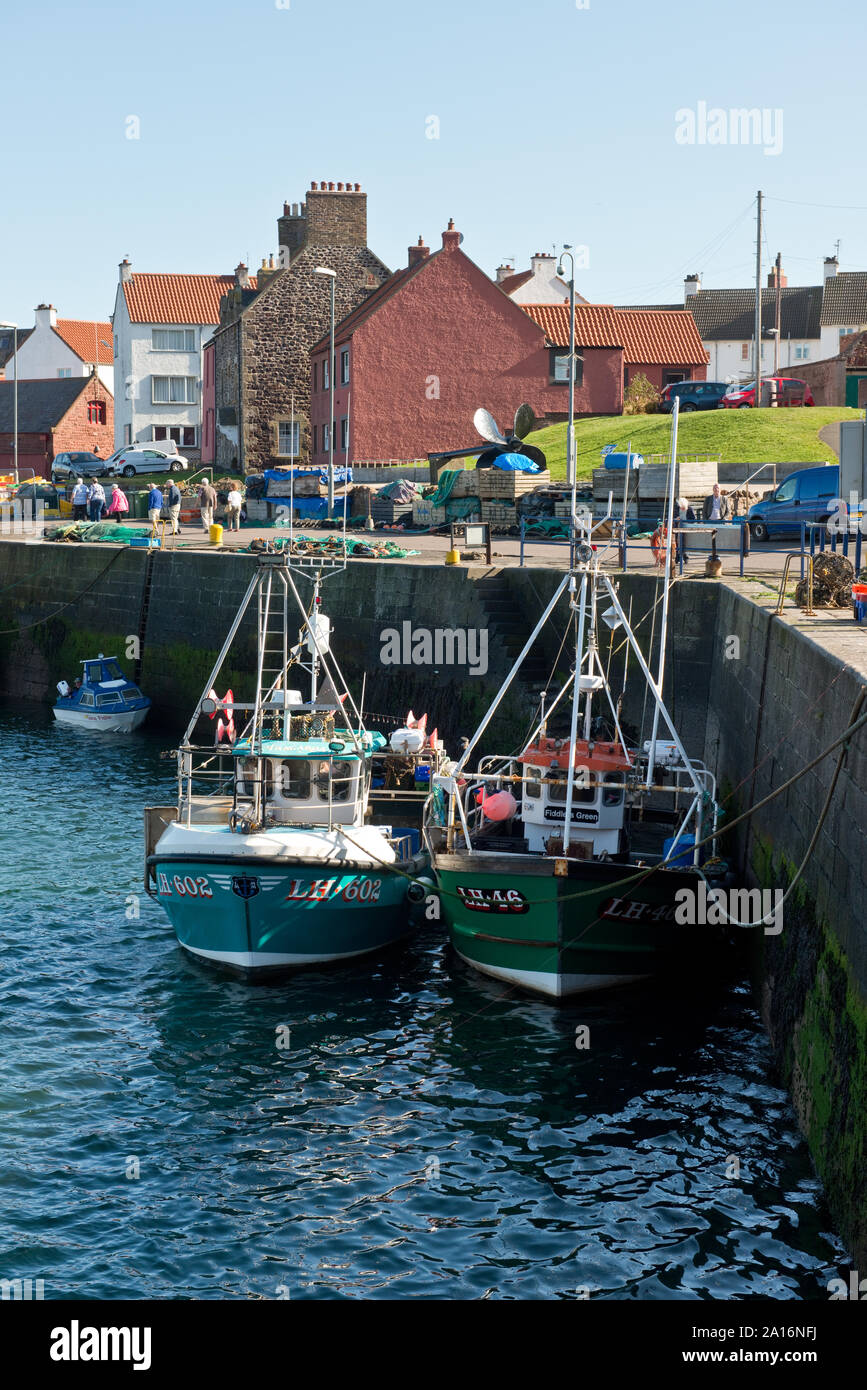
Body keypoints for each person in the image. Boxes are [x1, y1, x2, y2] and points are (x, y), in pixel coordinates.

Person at [674, 497, 696, 565]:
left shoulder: (689, 509)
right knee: (677, 542)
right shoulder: (677, 509)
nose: (682, 508)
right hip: (678, 527)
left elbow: (693, 520)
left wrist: (686, 521)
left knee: (685, 542)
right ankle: (677, 557)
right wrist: (676, 519)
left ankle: (685, 557)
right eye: (681, 507)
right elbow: (673, 517)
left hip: (686, 527)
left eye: (683, 507)